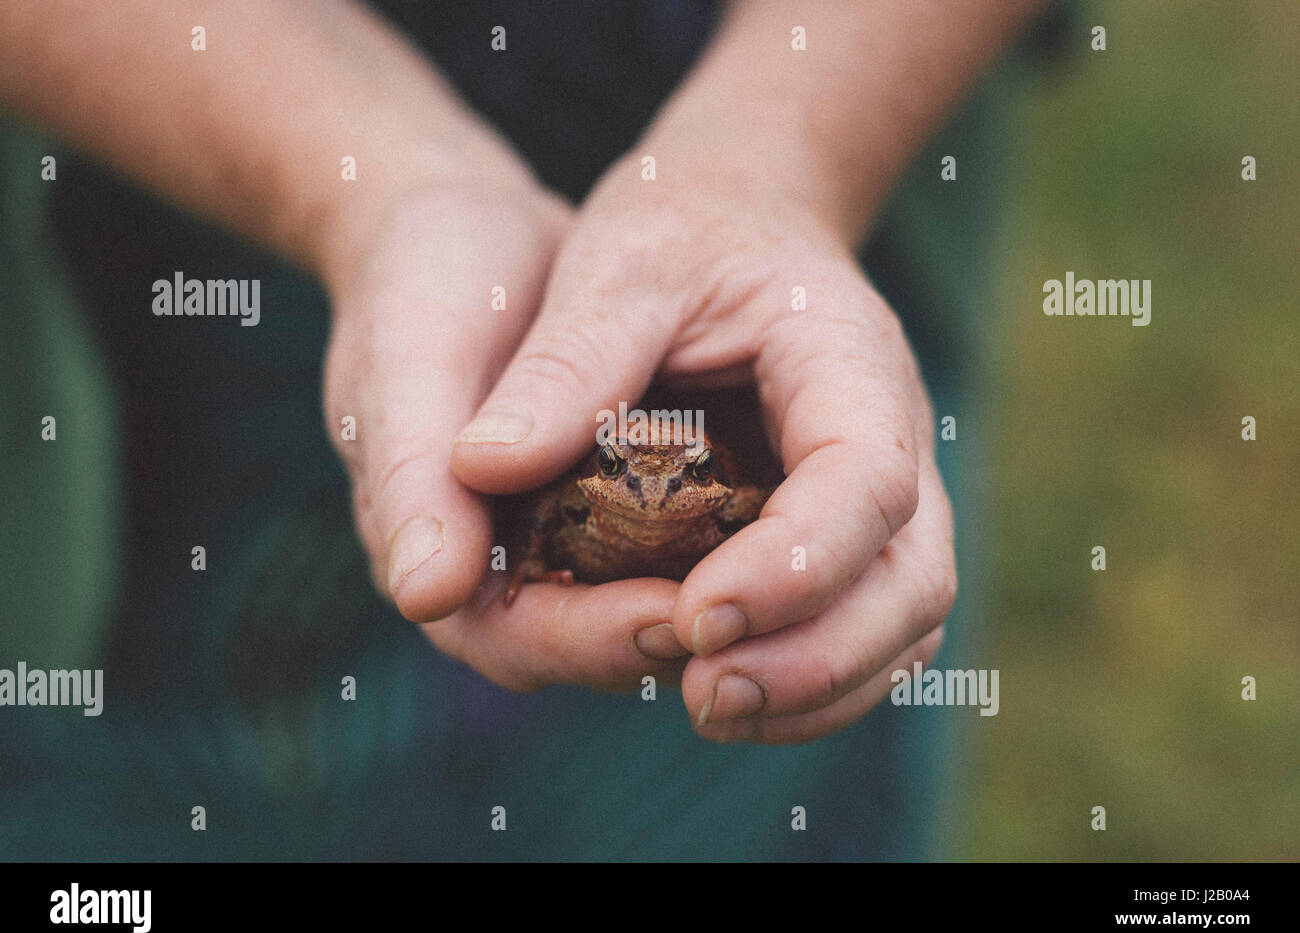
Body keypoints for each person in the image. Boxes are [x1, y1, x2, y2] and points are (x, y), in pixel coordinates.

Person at [0, 1, 1052, 860]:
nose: (644, 490)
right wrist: (380, 192)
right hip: (137, 283)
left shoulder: (725, 477)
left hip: (783, 306)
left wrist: (778, 162)